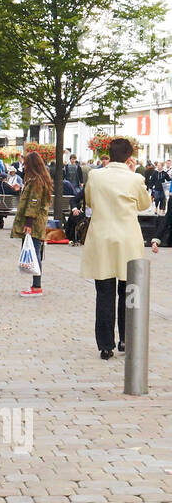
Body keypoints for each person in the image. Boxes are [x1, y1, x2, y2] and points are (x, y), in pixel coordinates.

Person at [81, 137, 158, 357]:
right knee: (129, 291)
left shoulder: (95, 176)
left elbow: (89, 201)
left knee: (104, 293)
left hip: (102, 239)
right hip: (128, 239)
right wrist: (133, 174)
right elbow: (144, 204)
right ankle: (126, 338)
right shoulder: (135, 178)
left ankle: (106, 345)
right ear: (129, 156)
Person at [12, 150, 54, 297]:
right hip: (37, 221)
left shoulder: (36, 180)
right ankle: (36, 285)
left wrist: (28, 222)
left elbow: (33, 203)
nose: (23, 165)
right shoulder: (38, 179)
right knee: (35, 252)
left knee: (35, 253)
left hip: (34, 223)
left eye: (26, 163)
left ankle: (37, 286)